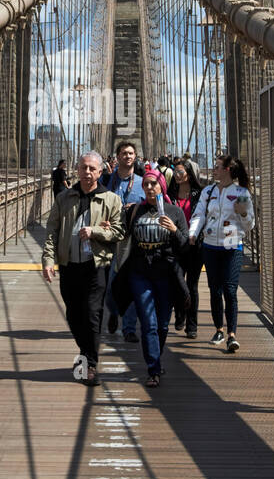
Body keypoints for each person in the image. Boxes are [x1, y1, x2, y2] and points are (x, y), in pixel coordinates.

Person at [42, 151, 125, 385]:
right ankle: (85, 351)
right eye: (83, 167)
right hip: (69, 265)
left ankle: (90, 364)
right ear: (77, 170)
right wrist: (49, 261)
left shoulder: (111, 200)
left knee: (92, 312)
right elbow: (52, 232)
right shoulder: (64, 198)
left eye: (92, 168)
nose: (87, 172)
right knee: (73, 314)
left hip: (96, 265)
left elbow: (119, 231)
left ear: (101, 172)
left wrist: (96, 231)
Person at [110, 169, 189, 387]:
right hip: (140, 272)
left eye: (154, 183)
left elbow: (184, 246)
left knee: (163, 324)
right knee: (149, 323)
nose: (150, 188)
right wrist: (108, 227)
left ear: (162, 186)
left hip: (166, 274)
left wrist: (174, 230)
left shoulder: (174, 213)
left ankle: (157, 356)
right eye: (146, 184)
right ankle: (153, 369)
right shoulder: (136, 210)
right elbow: (122, 234)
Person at [189, 154, 255, 354]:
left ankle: (232, 335)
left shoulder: (241, 193)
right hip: (210, 244)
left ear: (227, 170)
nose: (214, 169)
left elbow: (250, 224)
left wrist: (243, 213)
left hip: (232, 244)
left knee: (230, 289)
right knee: (215, 289)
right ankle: (219, 329)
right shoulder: (208, 191)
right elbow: (200, 213)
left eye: (217, 167)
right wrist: (193, 233)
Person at [105, 140, 147, 341]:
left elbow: (151, 209)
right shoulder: (106, 181)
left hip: (132, 240)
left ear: (135, 157)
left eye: (131, 153)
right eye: (123, 153)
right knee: (109, 284)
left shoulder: (143, 183)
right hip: (108, 239)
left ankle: (130, 328)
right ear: (117, 157)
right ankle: (113, 310)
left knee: (131, 283)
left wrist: (136, 210)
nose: (127, 156)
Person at [170, 159, 206, 338]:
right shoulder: (170, 193)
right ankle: (180, 315)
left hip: (194, 246)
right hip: (175, 245)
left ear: (189, 174)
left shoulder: (200, 194)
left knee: (192, 285)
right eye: (175, 172)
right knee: (177, 282)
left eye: (180, 172)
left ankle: (192, 326)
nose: (177, 175)